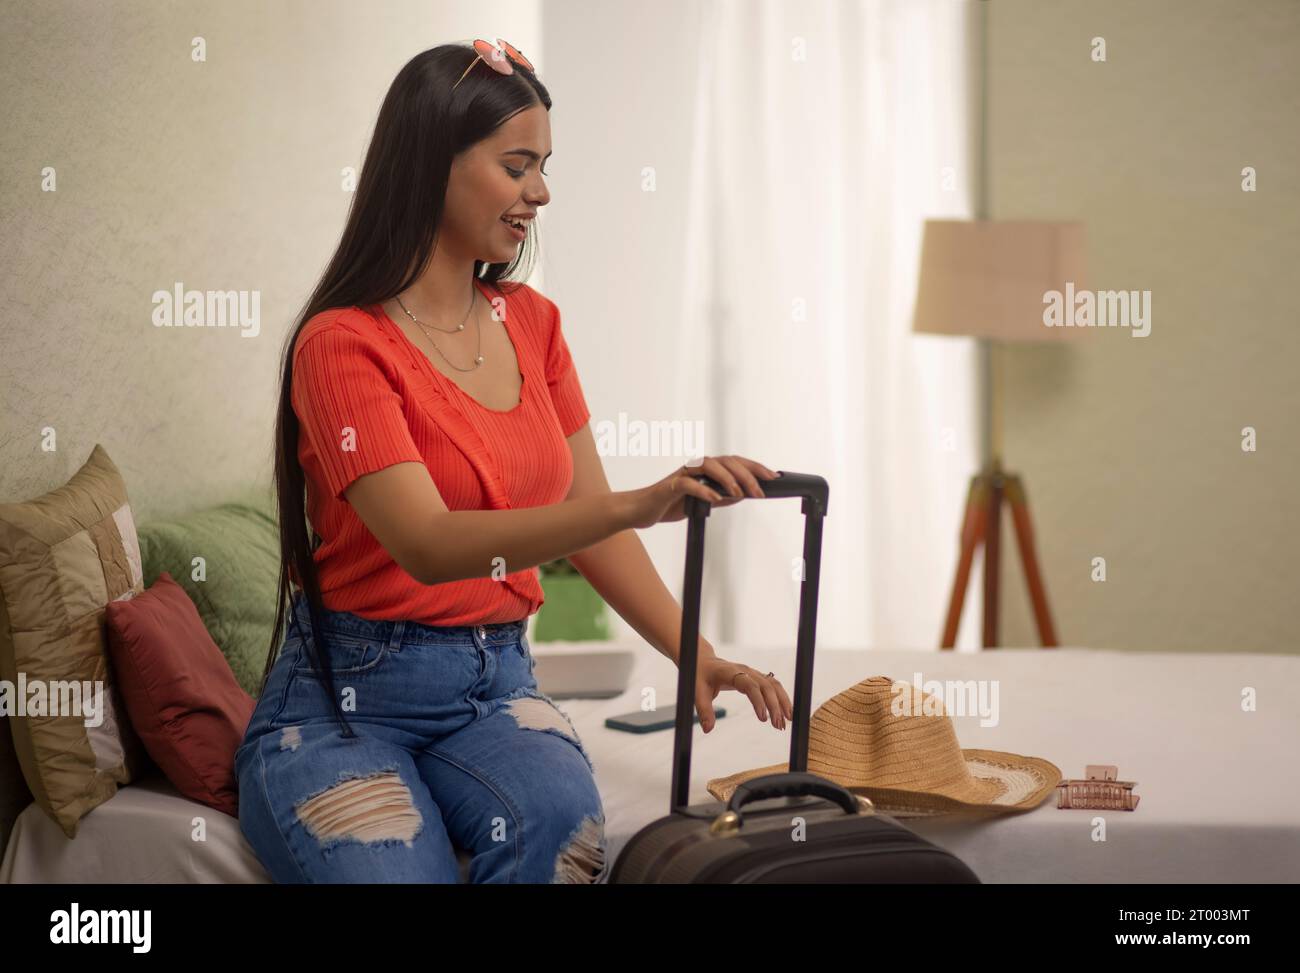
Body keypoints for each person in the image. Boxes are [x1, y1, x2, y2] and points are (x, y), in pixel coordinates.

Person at [235, 40, 791, 885]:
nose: (541, 191)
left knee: (564, 841)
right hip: (347, 700)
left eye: (544, 165)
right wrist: (638, 502)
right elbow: (427, 540)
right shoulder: (341, 345)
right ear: (431, 167)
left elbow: (593, 523)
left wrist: (696, 653)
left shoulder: (533, 323)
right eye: (516, 164)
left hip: (496, 684)